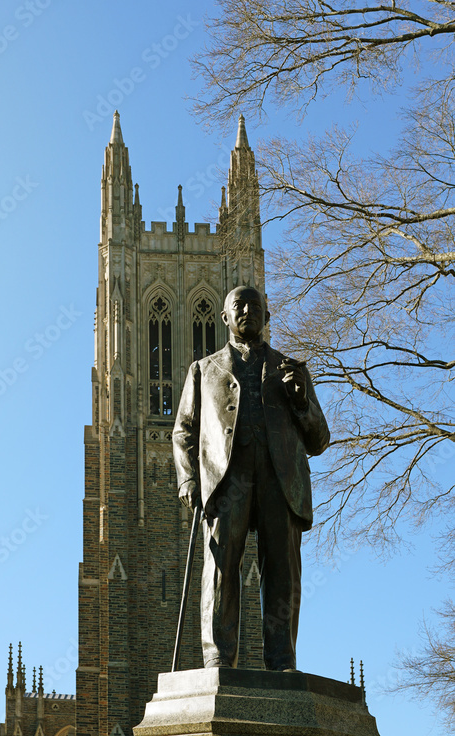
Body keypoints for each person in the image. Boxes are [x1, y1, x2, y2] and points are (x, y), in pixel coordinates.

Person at [172, 285, 330, 671]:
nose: (247, 311)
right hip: (227, 480)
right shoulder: (203, 370)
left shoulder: (292, 370)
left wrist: (302, 403)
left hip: (280, 481)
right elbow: (183, 431)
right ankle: (218, 658)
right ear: (224, 318)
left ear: (267, 317)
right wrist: (187, 479)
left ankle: (282, 658)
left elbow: (319, 439)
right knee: (221, 566)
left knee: (282, 570)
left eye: (255, 305)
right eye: (238, 305)